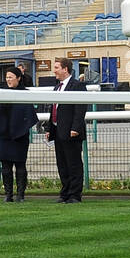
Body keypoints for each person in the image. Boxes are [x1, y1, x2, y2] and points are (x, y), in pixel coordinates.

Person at [0, 67, 38, 202]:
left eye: (11, 77)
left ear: (18, 78)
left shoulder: (25, 93)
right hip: (3, 135)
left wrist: (21, 129)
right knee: (5, 167)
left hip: (20, 136)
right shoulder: (1, 92)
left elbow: (29, 115)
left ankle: (20, 195)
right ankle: (8, 195)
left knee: (20, 165)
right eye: (7, 77)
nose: (8, 80)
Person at [46, 57, 87, 203]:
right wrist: (49, 128)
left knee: (74, 164)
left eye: (56, 67)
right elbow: (53, 109)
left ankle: (75, 195)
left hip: (71, 132)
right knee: (62, 164)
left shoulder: (77, 85)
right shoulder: (57, 87)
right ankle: (65, 193)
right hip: (58, 131)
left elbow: (80, 108)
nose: (54, 70)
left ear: (65, 69)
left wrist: (75, 128)